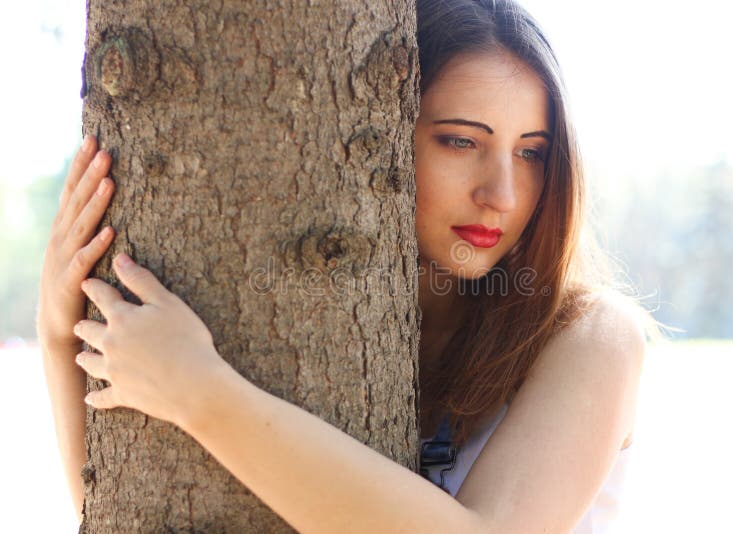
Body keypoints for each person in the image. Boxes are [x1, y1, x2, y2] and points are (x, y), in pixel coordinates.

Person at [37, 0, 664, 531]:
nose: (500, 192)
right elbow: (115, 510)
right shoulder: (342, 328)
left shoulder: (593, 337)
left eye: (531, 153)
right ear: (384, 134)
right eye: (460, 141)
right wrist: (56, 329)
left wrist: (203, 393)